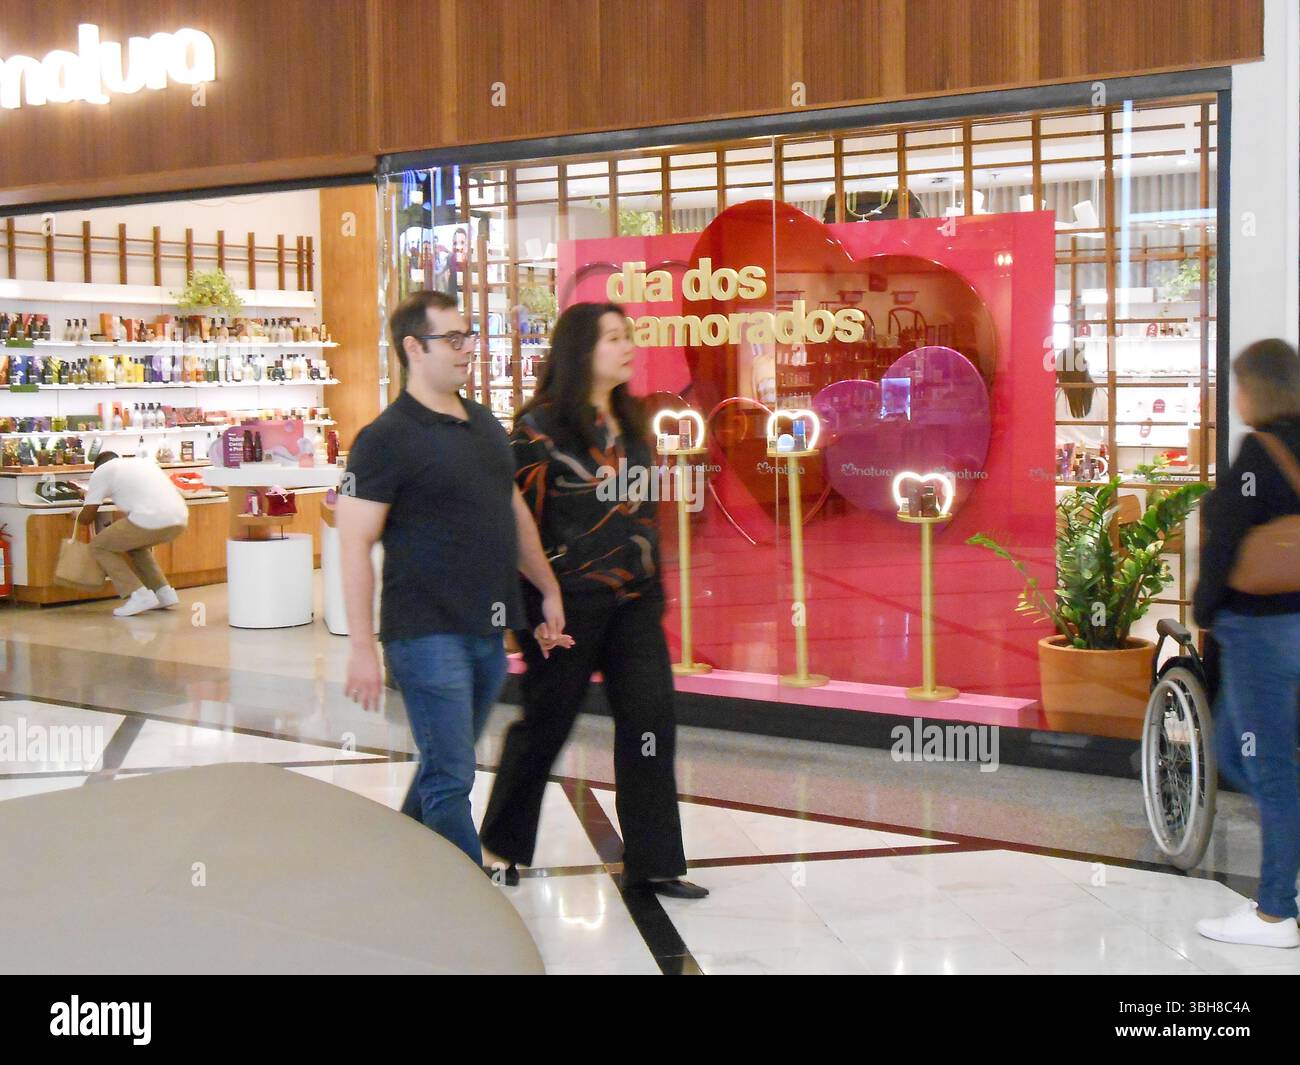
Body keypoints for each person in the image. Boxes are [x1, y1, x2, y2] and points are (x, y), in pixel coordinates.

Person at [480, 302, 708, 899]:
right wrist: (530, 608)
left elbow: (644, 511)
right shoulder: (537, 429)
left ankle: (655, 861)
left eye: (628, 335)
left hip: (634, 601)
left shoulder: (632, 423)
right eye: (613, 337)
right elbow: (515, 524)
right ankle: (500, 846)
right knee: (547, 724)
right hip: (564, 605)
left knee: (650, 720)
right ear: (582, 350)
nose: (627, 346)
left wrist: (654, 579)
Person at [338, 290, 566, 866]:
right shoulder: (384, 439)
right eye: (455, 339)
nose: (469, 348)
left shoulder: (484, 422)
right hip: (424, 632)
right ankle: (472, 903)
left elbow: (511, 511)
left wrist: (546, 587)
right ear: (414, 348)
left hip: (486, 631)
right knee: (453, 774)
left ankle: (402, 859)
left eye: (470, 336)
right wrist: (362, 647)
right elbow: (353, 544)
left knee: (444, 761)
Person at [1194, 338, 1300, 948]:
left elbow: (1224, 541)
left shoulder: (1258, 453)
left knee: (1268, 767)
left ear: (1255, 388)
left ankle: (1274, 912)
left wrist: (1206, 609)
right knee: (1236, 752)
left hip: (1260, 630)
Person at [77, 451, 188, 617]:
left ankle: (139, 594)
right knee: (136, 546)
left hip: (151, 518)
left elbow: (87, 517)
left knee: (99, 546)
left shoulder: (101, 472)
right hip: (180, 517)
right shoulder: (141, 463)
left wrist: (77, 514)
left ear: (97, 467)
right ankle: (164, 593)